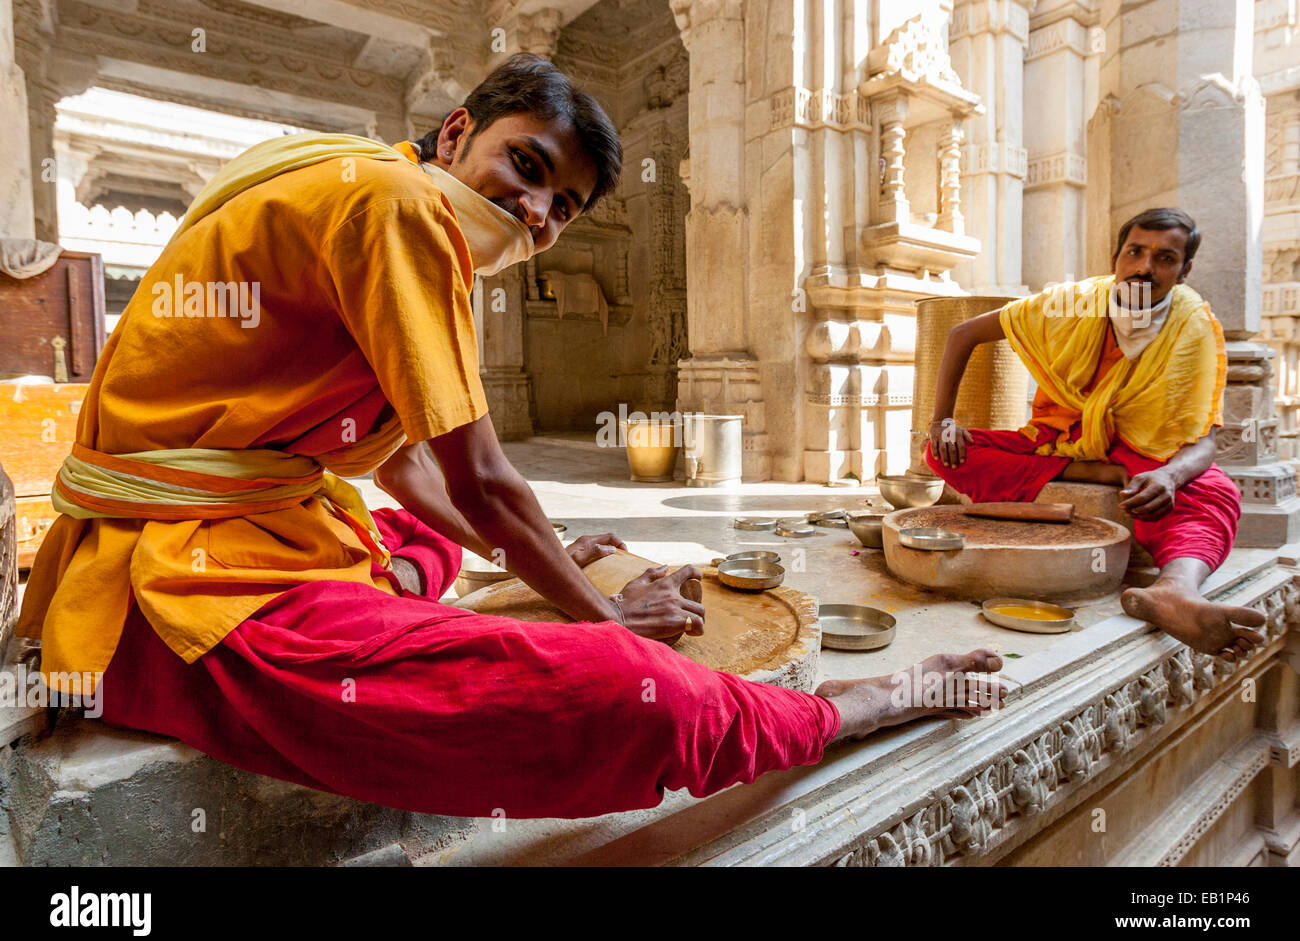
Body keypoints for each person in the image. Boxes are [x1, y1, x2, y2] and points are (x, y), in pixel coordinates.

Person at [16, 53, 1004, 820]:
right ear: (457, 132)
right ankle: (851, 705)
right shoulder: (401, 207)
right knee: (630, 689)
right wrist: (600, 618)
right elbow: (485, 480)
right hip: (169, 591)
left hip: (250, 526)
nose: (532, 213)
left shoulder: (364, 184)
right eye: (525, 167)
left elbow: (395, 456)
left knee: (430, 539)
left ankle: (414, 594)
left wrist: (543, 563)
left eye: (560, 208)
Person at [925, 207, 1266, 663]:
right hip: (1061, 442)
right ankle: (1101, 473)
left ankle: (1174, 591)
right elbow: (962, 333)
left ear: (1184, 271)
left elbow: (1203, 441)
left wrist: (1169, 477)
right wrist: (942, 420)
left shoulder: (1194, 324)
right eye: (1135, 252)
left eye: (1165, 258)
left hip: (1143, 452)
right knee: (947, 452)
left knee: (1214, 490)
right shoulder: (1073, 303)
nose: (1145, 267)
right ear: (1117, 257)